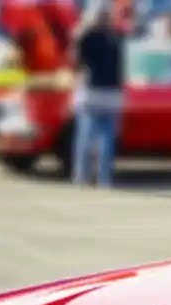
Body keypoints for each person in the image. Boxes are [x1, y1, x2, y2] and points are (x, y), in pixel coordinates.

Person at [70, 1, 124, 187]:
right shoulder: (117, 37)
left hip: (91, 92)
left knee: (85, 137)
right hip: (113, 93)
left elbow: (76, 62)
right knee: (107, 139)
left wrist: (79, 33)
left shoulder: (86, 36)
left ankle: (82, 176)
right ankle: (104, 178)